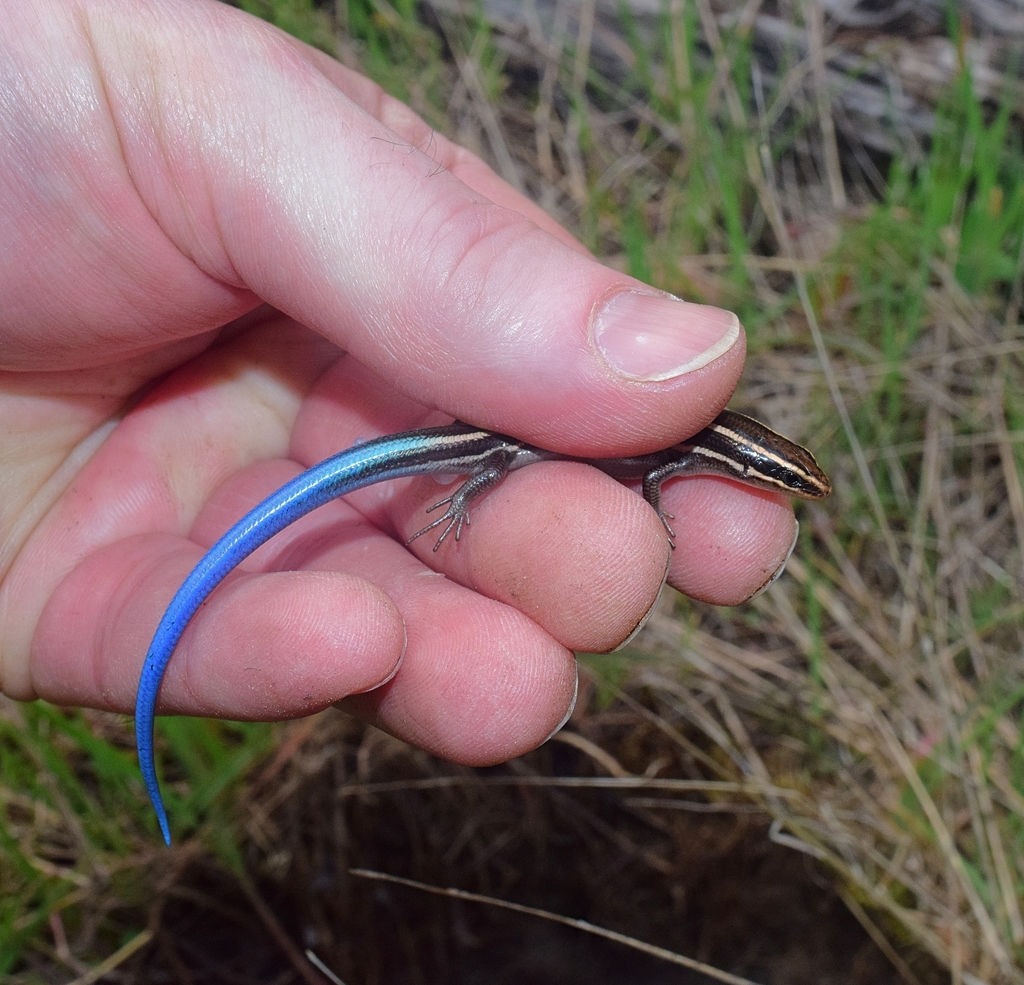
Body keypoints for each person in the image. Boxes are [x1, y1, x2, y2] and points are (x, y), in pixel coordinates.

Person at [0, 0, 798, 767]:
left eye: (783, 472)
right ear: (750, 462)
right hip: (488, 446)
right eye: (781, 471)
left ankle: (455, 491)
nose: (778, 476)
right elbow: (652, 474)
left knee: (500, 628)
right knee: (503, 494)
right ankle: (459, 494)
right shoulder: (686, 448)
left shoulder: (705, 444)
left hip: (472, 434)